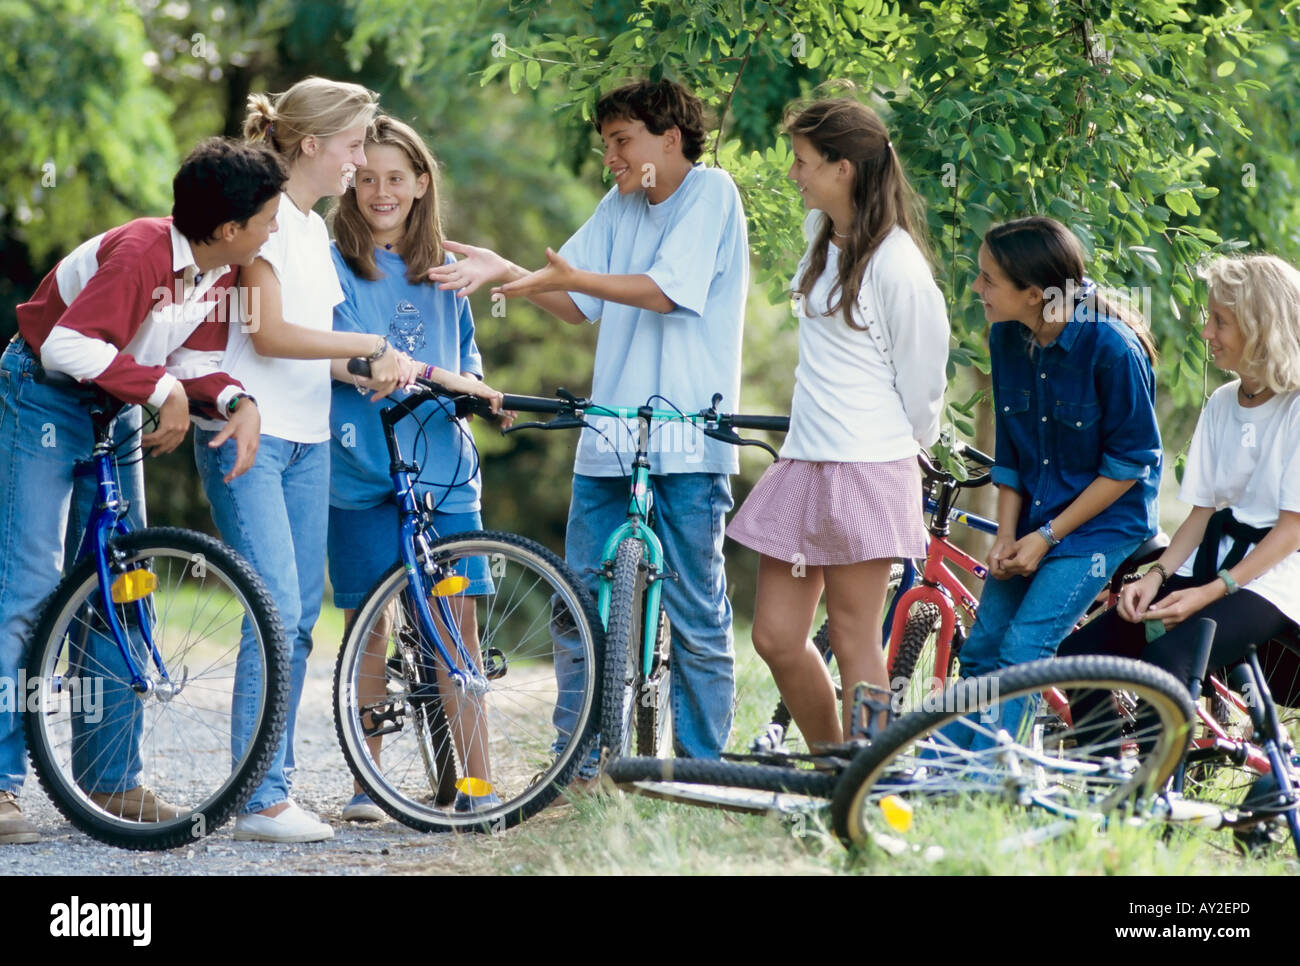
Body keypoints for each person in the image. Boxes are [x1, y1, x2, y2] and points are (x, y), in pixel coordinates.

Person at [428, 77, 749, 765]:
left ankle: (698, 768)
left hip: (690, 438)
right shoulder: (619, 204)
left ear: (670, 137)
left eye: (621, 141)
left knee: (694, 612)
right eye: (605, 143)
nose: (611, 156)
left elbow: (665, 292)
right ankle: (576, 761)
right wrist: (510, 271)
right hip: (609, 435)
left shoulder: (711, 194)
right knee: (577, 609)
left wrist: (558, 279)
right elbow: (575, 300)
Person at [0, 137, 281, 844]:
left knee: (122, 583)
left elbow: (196, 364)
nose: (273, 229)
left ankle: (109, 779)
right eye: (267, 218)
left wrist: (236, 399)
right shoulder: (144, 252)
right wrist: (157, 389)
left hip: (111, 405)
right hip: (44, 396)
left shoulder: (221, 272)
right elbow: (66, 345)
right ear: (226, 228)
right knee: (30, 588)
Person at [191, 77, 425, 843]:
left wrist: (373, 367)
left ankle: (268, 785)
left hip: (310, 439)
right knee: (276, 610)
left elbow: (315, 356)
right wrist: (364, 343)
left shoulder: (317, 233)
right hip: (252, 437)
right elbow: (267, 335)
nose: (362, 162)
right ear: (313, 145)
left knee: (295, 622)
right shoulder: (267, 221)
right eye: (355, 146)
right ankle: (260, 798)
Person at [725, 98, 948, 746]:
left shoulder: (898, 265)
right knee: (774, 636)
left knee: (854, 640)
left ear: (843, 169)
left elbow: (924, 381)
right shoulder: (820, 240)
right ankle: (832, 765)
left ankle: (864, 785)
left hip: (868, 469)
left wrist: (903, 450)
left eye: (803, 162)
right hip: (806, 462)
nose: (794, 174)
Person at [326, 115, 504, 821]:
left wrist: (483, 395)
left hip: (443, 472)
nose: (380, 191)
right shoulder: (333, 265)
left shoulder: (448, 273)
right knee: (367, 624)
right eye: (365, 177)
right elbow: (341, 357)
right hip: (362, 466)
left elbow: (468, 358)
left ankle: (480, 787)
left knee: (456, 629)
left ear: (422, 183)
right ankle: (369, 781)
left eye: (395, 177)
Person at [1058, 254, 1300, 701]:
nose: (1207, 333)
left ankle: (1158, 773)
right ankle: (1112, 771)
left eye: (1220, 321)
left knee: (1165, 666)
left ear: (1261, 326)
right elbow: (1201, 514)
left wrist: (1209, 593)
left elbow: (1290, 532)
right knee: (1078, 661)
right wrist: (1153, 578)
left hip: (1273, 579)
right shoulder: (1223, 403)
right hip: (1210, 562)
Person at [958, 216, 1163, 744]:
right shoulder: (1006, 335)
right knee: (982, 649)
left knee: (1024, 650)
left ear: (1033, 294)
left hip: (1103, 525)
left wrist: (1046, 538)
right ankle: (944, 771)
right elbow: (1013, 448)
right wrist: (1006, 535)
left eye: (987, 279)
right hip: (1033, 515)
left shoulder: (1112, 348)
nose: (976, 287)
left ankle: (989, 780)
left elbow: (1128, 466)